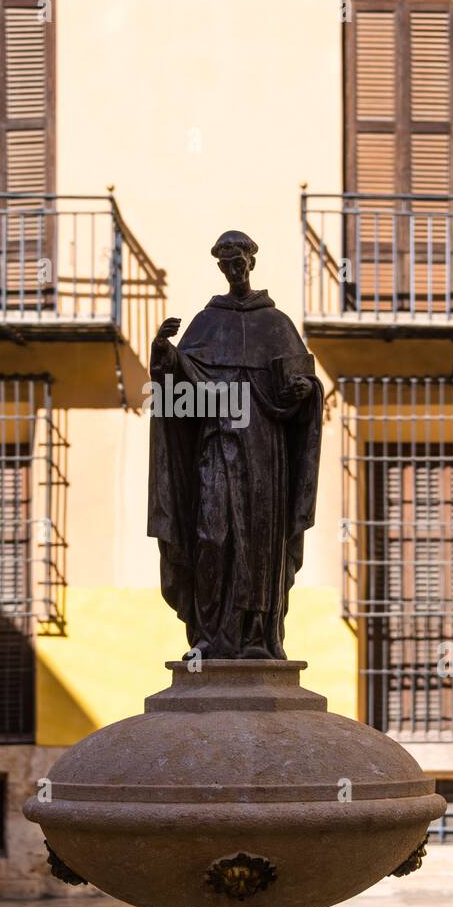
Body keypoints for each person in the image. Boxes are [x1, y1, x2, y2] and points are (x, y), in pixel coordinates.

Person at [147, 230, 323, 660]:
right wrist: (164, 353)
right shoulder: (207, 323)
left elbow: (302, 388)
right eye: (226, 262)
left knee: (262, 542)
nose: (233, 267)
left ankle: (258, 636)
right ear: (219, 267)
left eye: (239, 259)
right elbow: (178, 388)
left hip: (266, 453)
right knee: (211, 535)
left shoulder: (276, 324)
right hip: (215, 446)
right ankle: (209, 637)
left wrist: (303, 392)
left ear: (251, 262)